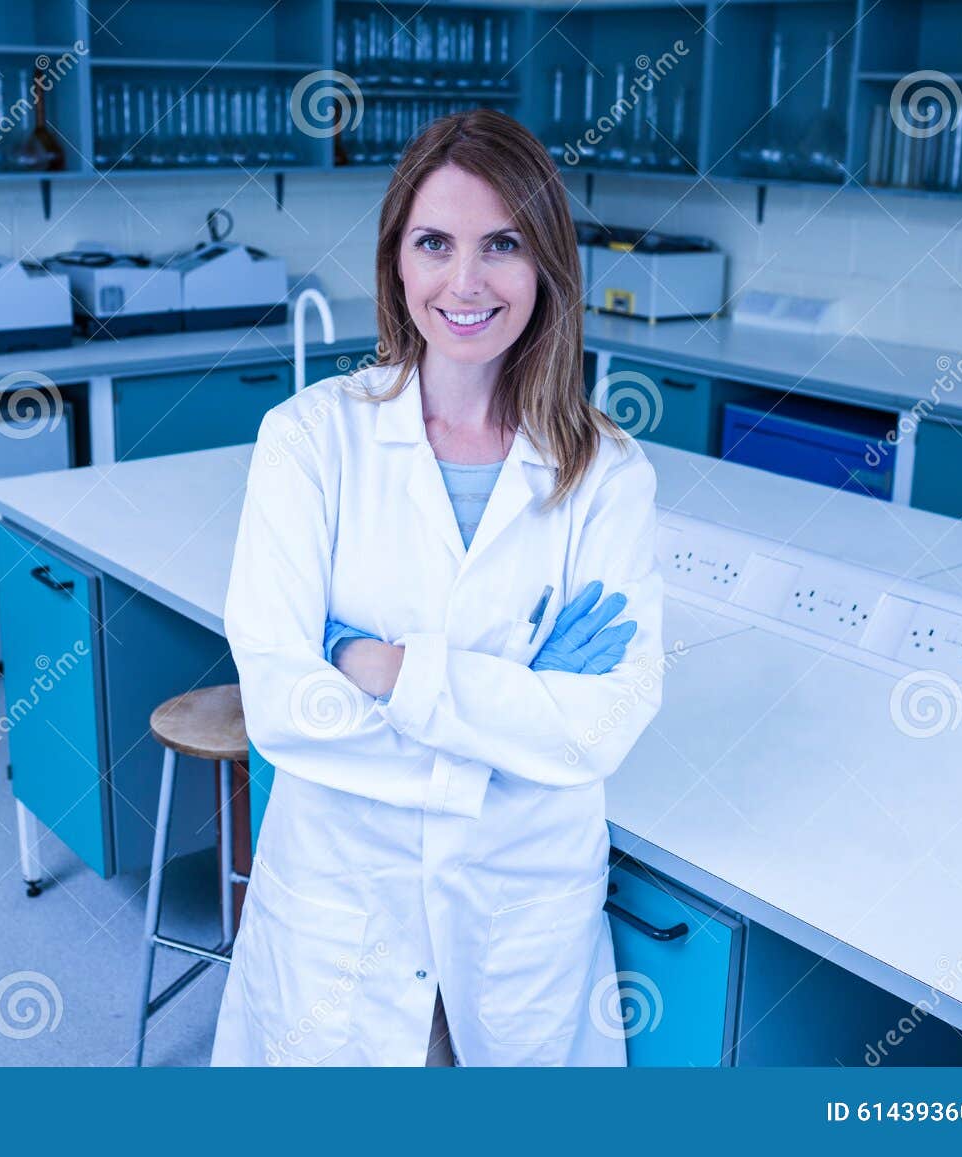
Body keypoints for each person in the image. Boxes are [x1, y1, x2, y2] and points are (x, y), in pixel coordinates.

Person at [211, 109, 665, 1067]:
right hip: (345, 913)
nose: (466, 282)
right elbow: (283, 706)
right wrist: (508, 703)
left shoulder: (608, 473)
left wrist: (377, 664)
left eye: (502, 244)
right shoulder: (308, 441)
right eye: (435, 243)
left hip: (520, 916)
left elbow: (604, 723)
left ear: (547, 263)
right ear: (397, 263)